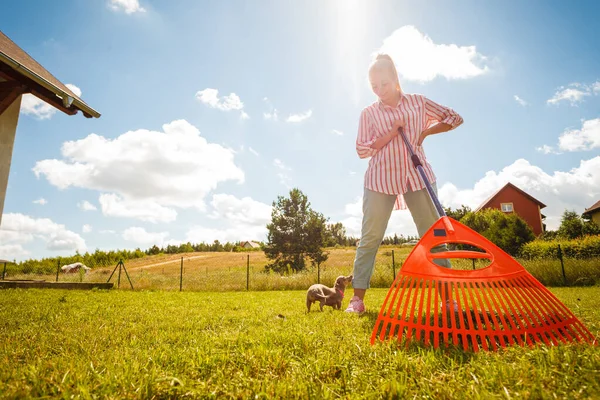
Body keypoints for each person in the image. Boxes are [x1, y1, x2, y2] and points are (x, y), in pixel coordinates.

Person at [345, 53, 463, 314]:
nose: (379, 91)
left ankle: (447, 300)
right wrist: (391, 131)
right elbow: (362, 149)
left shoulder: (418, 103)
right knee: (370, 238)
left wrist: (425, 132)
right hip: (380, 180)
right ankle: (357, 300)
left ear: (395, 79)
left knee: (434, 238)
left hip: (418, 176)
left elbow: (454, 118)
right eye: (374, 87)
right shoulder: (369, 113)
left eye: (384, 84)